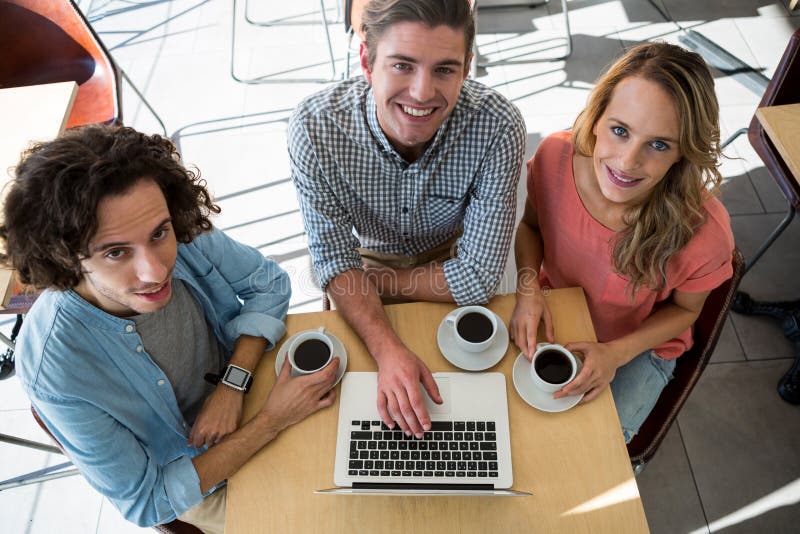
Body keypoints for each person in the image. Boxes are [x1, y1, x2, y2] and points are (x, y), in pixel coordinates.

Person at [0, 125, 338, 532]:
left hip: (255, 391)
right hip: (203, 477)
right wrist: (270, 421)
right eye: (116, 252)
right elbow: (148, 500)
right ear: (66, 255)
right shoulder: (55, 366)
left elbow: (268, 284)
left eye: (159, 234)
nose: (156, 270)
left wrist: (233, 385)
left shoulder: (170, 227)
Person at [288, 0, 526, 439]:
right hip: (368, 261)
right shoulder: (314, 127)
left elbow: (477, 279)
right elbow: (335, 257)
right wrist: (386, 347)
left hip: (441, 266)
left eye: (444, 70)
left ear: (467, 67)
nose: (421, 93)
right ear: (366, 60)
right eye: (402, 65)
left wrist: (369, 281)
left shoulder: (498, 126)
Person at [509, 42, 735, 443]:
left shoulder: (706, 229)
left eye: (659, 144)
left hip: (640, 346)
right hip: (557, 307)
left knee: (594, 451)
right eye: (620, 131)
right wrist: (528, 288)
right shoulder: (554, 157)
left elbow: (685, 312)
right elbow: (530, 229)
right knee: (515, 427)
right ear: (595, 119)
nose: (628, 162)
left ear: (683, 154)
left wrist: (617, 353)